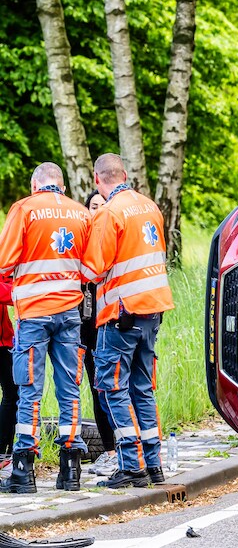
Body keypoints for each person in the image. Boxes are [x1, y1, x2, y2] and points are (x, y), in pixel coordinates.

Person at [82, 154, 174, 488]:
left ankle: (131, 465)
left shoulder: (110, 212)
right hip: (152, 311)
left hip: (121, 314)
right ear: (124, 174)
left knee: (112, 388)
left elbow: (93, 269)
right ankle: (154, 464)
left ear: (97, 180)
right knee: (143, 389)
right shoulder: (149, 206)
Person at [0, 162, 90, 494]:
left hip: (34, 314)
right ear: (61, 186)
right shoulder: (81, 213)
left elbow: (4, 262)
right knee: (69, 389)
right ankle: (71, 471)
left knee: (29, 390)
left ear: (35, 185)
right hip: (69, 313)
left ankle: (24, 471)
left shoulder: (24, 209)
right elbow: (91, 267)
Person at [79, 190, 119, 476]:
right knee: (95, 388)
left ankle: (124, 450)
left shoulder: (114, 239)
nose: (98, 210)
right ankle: (109, 450)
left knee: (113, 387)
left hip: (110, 323)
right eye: (93, 206)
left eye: (102, 206)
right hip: (85, 326)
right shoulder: (80, 241)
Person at [0, 274, 15, 478]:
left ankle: (4, 457)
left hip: (4, 341)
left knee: (13, 395)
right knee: (12, 395)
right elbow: (11, 293)